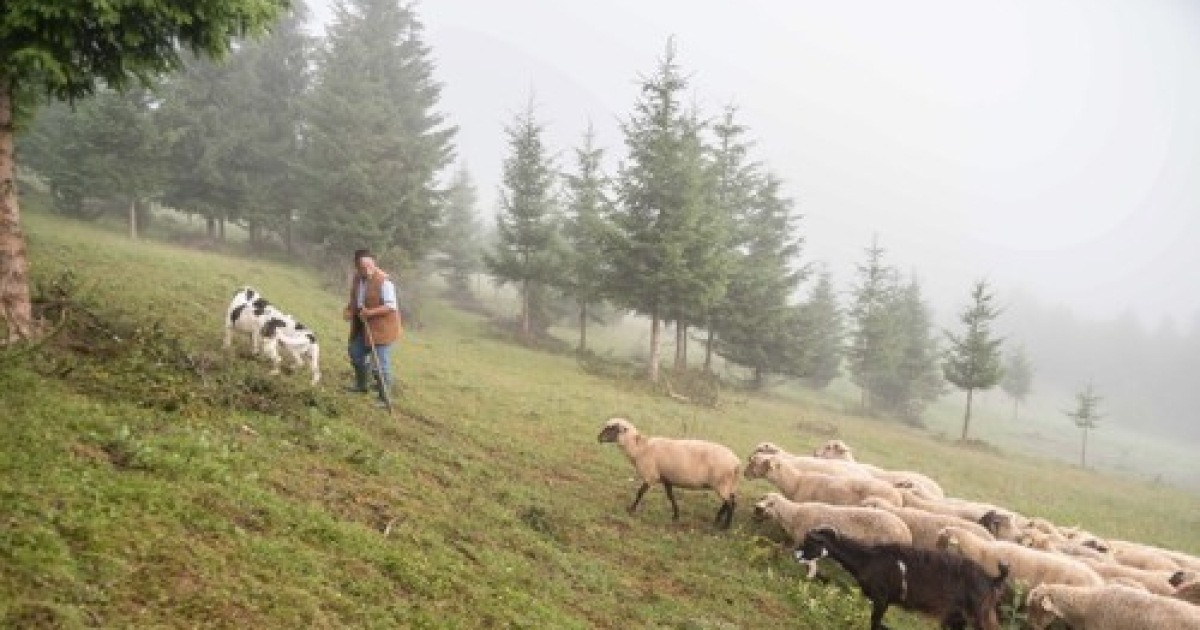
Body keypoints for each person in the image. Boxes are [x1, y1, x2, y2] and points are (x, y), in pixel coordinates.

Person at [343, 249, 402, 405]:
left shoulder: (384, 281)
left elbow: (391, 306)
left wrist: (370, 313)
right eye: (364, 266)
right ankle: (362, 385)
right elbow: (356, 299)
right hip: (364, 327)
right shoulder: (357, 278)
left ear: (374, 264)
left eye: (371, 265)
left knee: (381, 365)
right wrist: (349, 310)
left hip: (383, 329)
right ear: (357, 267)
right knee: (355, 352)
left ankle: (384, 398)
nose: (369, 269)